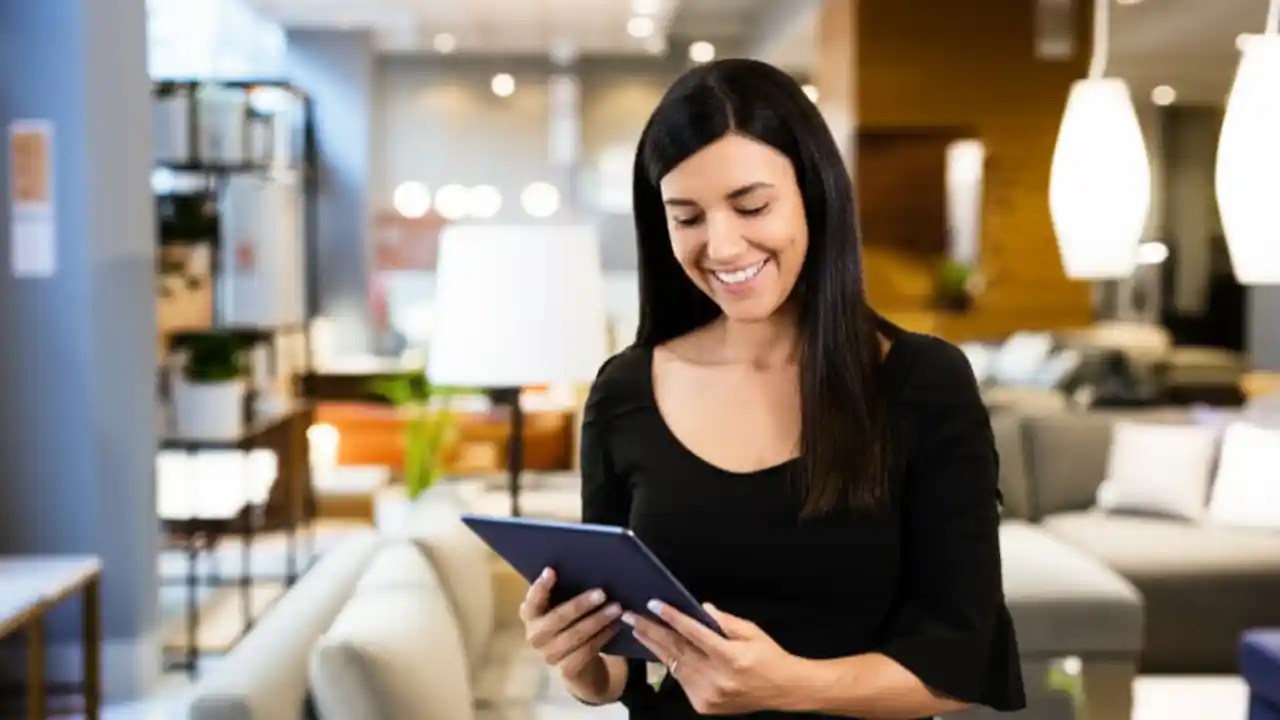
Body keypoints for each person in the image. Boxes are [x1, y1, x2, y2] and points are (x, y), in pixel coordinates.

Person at [517, 58, 1025, 719]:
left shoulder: (921, 384)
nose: (722, 246)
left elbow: (960, 662)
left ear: (813, 194)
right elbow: (620, 666)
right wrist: (581, 659)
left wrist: (792, 684)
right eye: (687, 216)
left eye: (751, 205)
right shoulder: (624, 392)